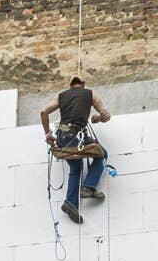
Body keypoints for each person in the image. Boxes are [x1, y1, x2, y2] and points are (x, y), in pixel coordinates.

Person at [40, 76, 111, 225]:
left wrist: (48, 134)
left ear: (70, 86)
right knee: (102, 154)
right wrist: (97, 119)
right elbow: (106, 116)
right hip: (77, 136)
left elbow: (43, 112)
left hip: (63, 136)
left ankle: (70, 204)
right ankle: (88, 186)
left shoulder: (61, 96)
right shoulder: (90, 94)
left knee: (76, 166)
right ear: (83, 85)